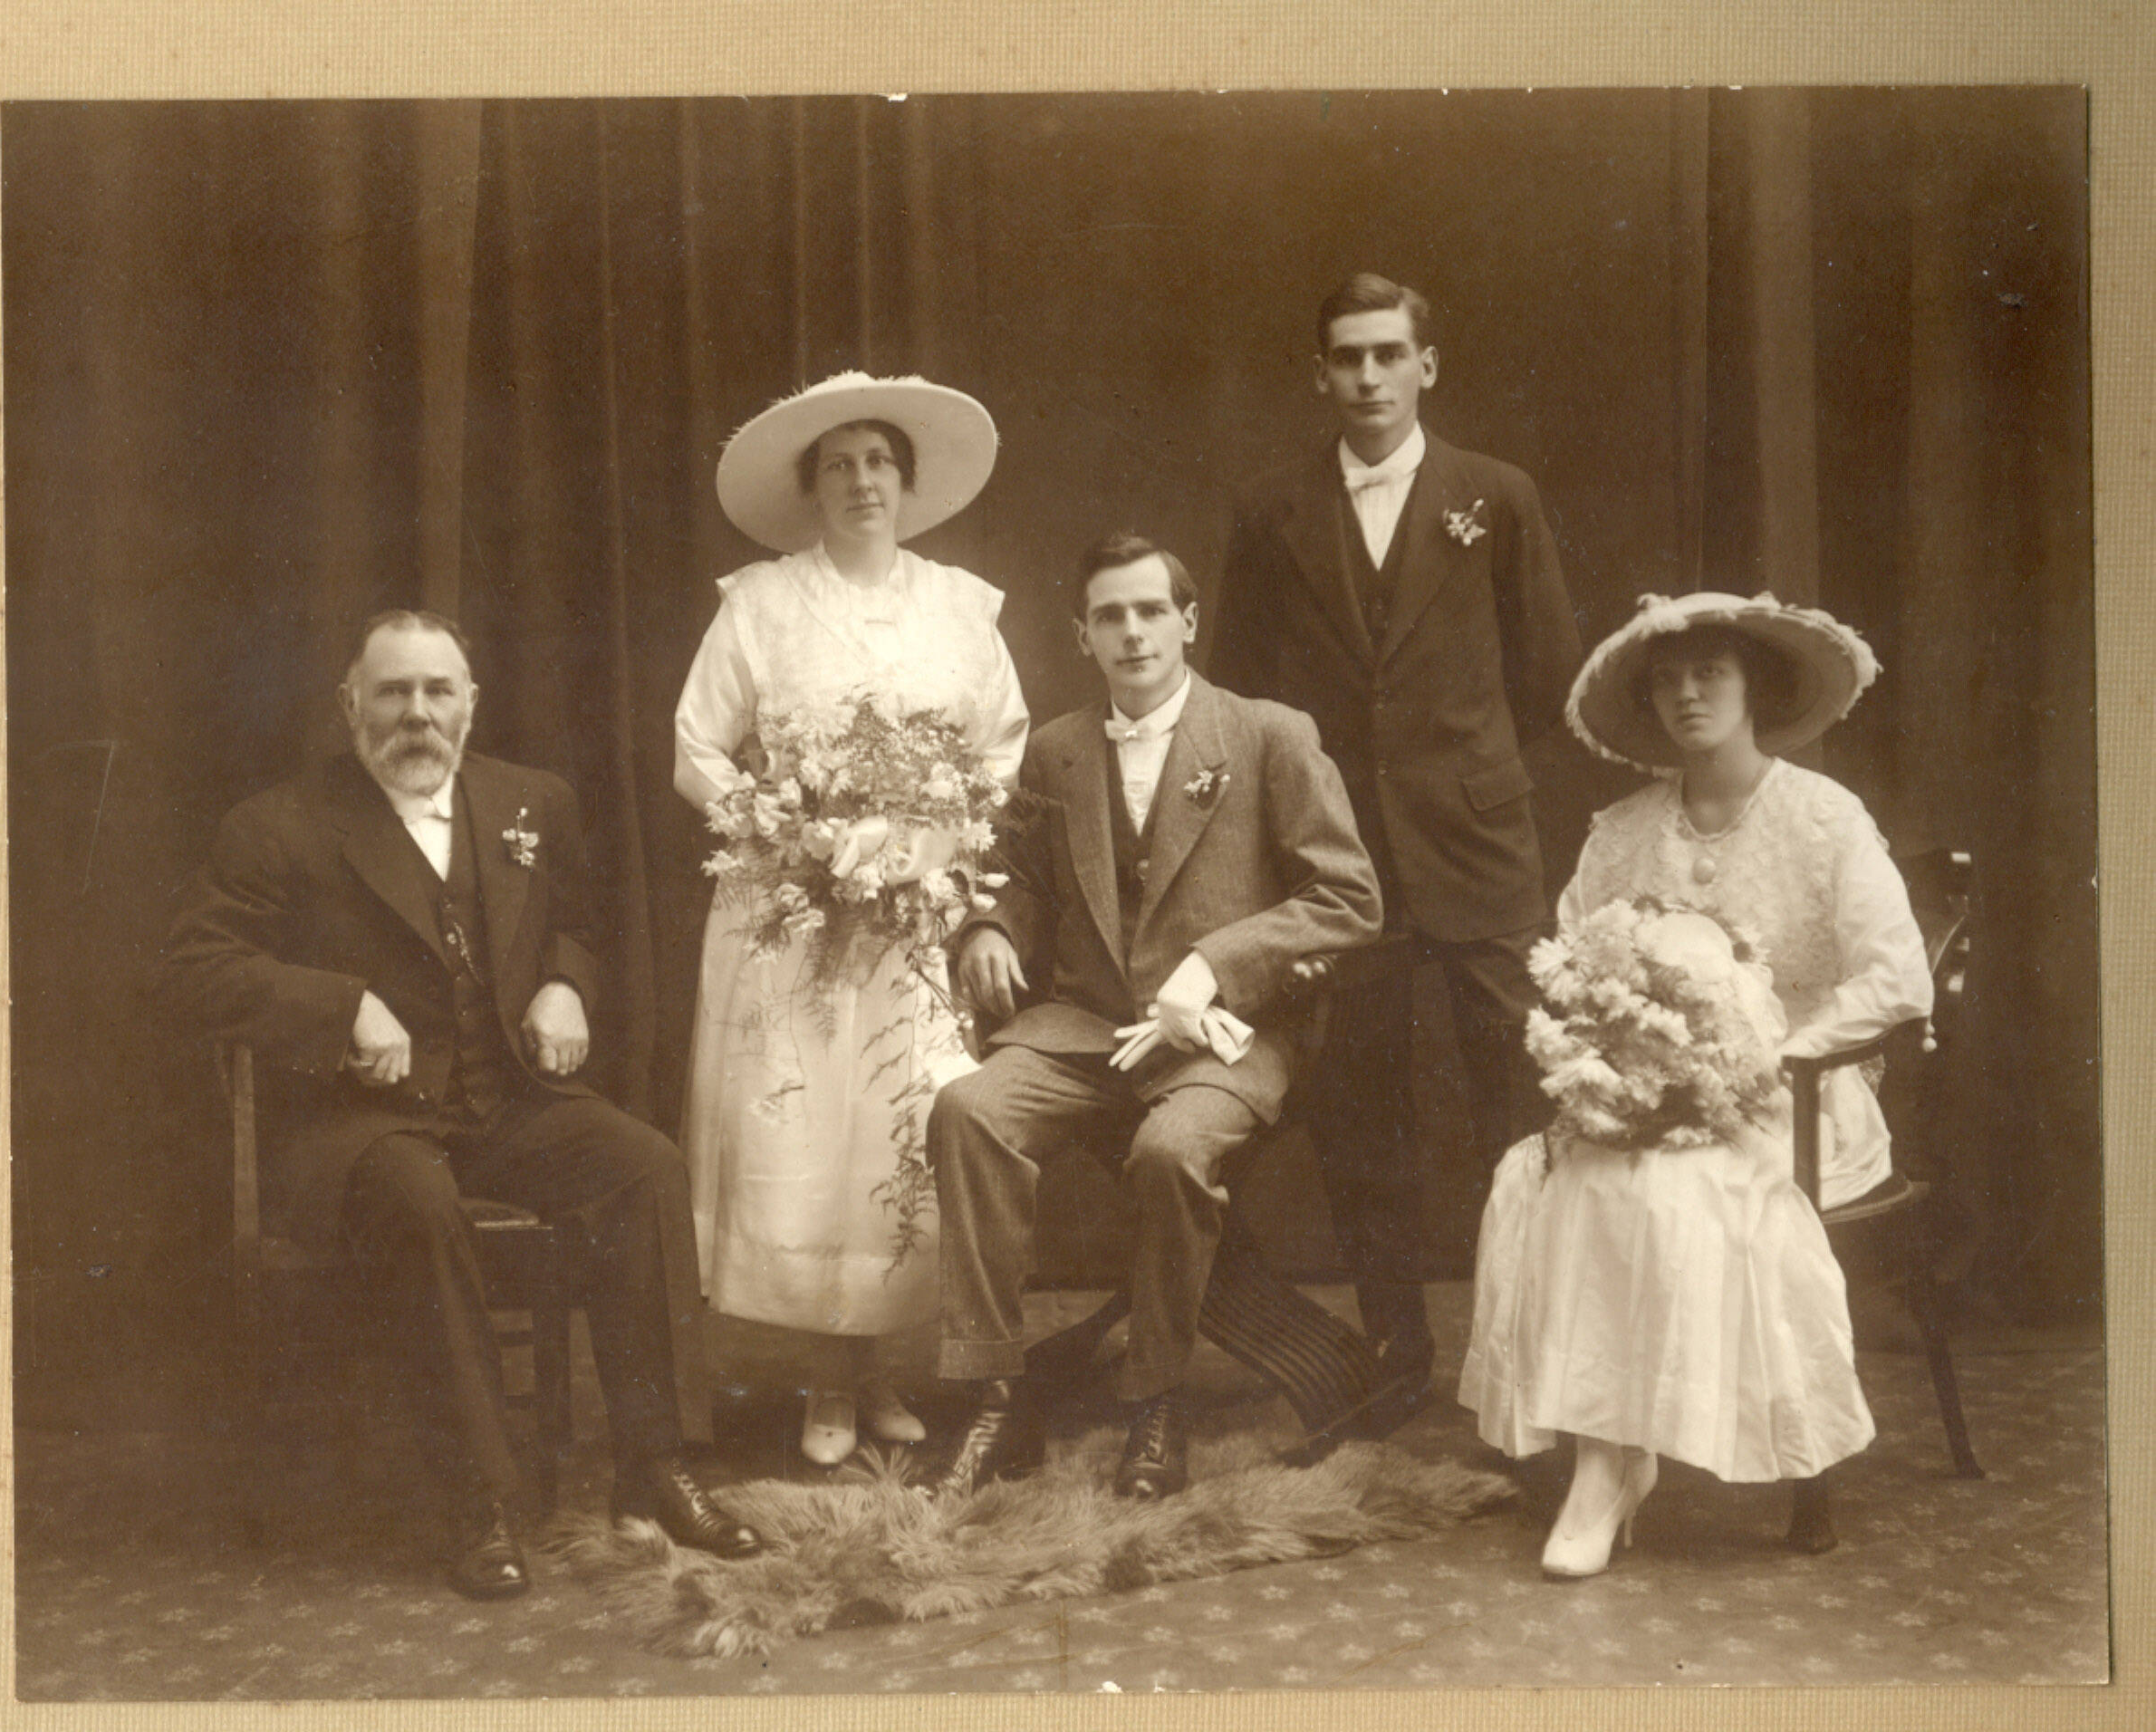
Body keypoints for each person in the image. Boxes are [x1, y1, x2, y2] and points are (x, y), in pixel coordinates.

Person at [165, 611, 761, 1601]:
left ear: (471, 704)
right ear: (350, 704)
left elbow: (580, 923)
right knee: (421, 1203)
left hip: (503, 1103)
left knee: (644, 1165)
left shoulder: (531, 801)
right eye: (393, 692)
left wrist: (564, 982)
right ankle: (477, 1500)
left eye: (438, 691)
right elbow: (195, 967)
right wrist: (343, 1007)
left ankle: (656, 1466)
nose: (417, 713)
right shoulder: (278, 824)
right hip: (359, 1122)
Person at [1457, 591, 1935, 1576]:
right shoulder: (1621, 830)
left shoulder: (1822, 817)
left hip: (1797, 1091)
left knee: (1669, 1186)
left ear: (1755, 687)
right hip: (1648, 1087)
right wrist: (1617, 1058)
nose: (1686, 695)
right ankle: (1610, 1459)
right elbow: (1572, 966)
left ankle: (1611, 1464)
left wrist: (1769, 1056)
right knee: (1566, 1172)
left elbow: (1896, 977)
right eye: (1666, 681)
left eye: (1709, 673)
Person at [919, 532, 1382, 1502]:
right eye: (1109, 616)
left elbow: (1347, 898)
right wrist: (989, 927)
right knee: (968, 1111)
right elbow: (1020, 878)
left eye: (1149, 611)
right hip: (1085, 1027)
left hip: (1224, 1038)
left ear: (1188, 622)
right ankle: (994, 1398)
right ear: (1081, 636)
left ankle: (1155, 1399)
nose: (1132, 632)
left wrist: (1214, 966)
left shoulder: (1267, 734)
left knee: (1170, 1152)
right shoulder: (1057, 750)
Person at [1211, 273, 1584, 1419]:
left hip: (1477, 848)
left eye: (1387, 354)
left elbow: (1545, 673)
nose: (1367, 376)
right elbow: (1241, 688)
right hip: (1340, 859)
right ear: (1318, 373)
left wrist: (1457, 771)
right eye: (1346, 357)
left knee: (1519, 1098)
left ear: (1427, 364)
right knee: (1360, 1107)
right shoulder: (1271, 510)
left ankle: (1538, 1356)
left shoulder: (1495, 497)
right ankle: (1395, 1349)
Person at [674, 372, 1029, 1467]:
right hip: (795, 919)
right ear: (812, 489)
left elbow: (1001, 749)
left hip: (914, 919)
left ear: (905, 482)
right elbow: (694, 746)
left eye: (878, 461)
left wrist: (938, 847)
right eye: (838, 465)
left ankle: (882, 1373)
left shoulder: (960, 606)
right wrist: (790, 836)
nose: (861, 481)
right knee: (806, 1136)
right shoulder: (761, 604)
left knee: (899, 1130)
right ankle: (823, 1381)